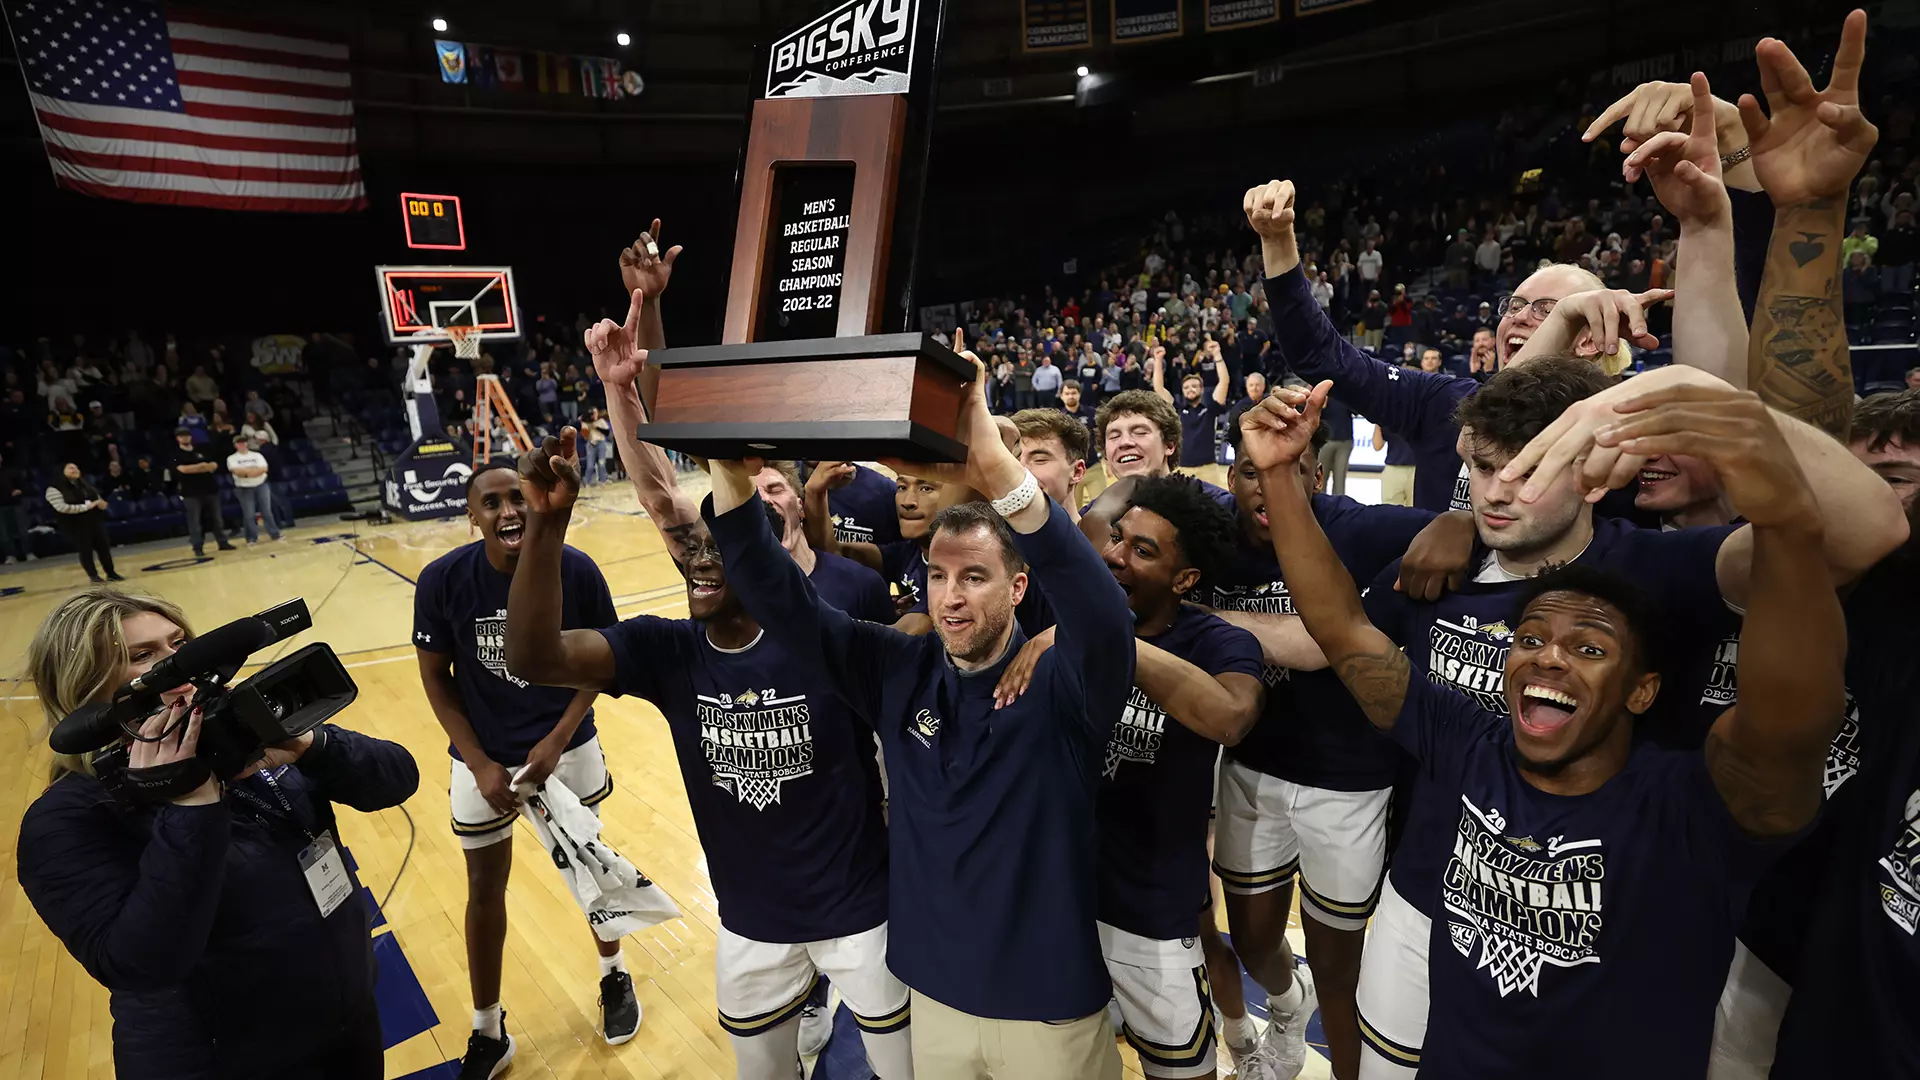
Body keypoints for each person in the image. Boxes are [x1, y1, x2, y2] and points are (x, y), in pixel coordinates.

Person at [1238, 377, 1855, 1079]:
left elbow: (1789, 722)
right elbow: (1343, 631)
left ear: (1645, 688)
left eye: (1587, 648)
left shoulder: (1690, 808)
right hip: (1426, 930)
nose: (1549, 658)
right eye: (1528, 639)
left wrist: (1784, 511)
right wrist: (1280, 476)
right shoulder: (1473, 741)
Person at [706, 353, 1134, 1078]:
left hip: (1048, 1007)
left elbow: (1100, 609)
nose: (951, 597)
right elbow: (779, 597)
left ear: (1018, 587)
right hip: (932, 996)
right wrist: (729, 470)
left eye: (974, 576)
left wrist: (998, 473)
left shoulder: (1068, 683)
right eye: (938, 576)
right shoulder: (896, 669)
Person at [502, 429, 913, 1080]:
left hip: (861, 910)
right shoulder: (667, 651)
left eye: (719, 546)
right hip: (751, 919)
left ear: (761, 561)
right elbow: (532, 658)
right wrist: (547, 525)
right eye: (693, 546)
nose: (699, 559)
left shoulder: (828, 642)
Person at [18, 588, 420, 1079]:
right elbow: (142, 963)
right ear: (85, 691)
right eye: (143, 656)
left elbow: (398, 779)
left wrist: (312, 745)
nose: (178, 665)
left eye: (179, 644)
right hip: (219, 1061)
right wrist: (190, 807)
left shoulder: (236, 737)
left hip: (344, 1022)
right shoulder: (65, 820)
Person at [996, 475, 1266, 1080]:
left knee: (1182, 1070)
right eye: (1118, 538)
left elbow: (1230, 717)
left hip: (1151, 907)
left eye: (1142, 550)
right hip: (1057, 896)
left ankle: (1248, 1035)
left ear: (1185, 579)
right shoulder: (1060, 608)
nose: (1115, 555)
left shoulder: (1217, 642)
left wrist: (1104, 636)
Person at [1202, 418, 1441, 1080]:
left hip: (1350, 779)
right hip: (1252, 767)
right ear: (1231, 478)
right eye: (1252, 471)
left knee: (1339, 967)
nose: (1268, 485)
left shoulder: (1356, 527)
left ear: (1316, 477)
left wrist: (1453, 524)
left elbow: (1481, 526)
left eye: (1291, 471)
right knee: (1253, 941)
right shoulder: (1212, 531)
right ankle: (1286, 1007)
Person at [1243, 177, 1670, 513]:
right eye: (1514, 304)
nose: (1520, 316)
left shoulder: (1621, 438)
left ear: (1591, 338)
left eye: (1548, 310)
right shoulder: (1441, 401)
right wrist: (1277, 241)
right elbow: (1320, 355)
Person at [413, 463, 637, 1076]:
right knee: (484, 889)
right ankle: (488, 1028)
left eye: (518, 498)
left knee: (592, 869)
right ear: (472, 515)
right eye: (492, 502)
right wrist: (478, 761)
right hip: (482, 758)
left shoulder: (577, 569)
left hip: (565, 745)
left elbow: (607, 661)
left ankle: (614, 974)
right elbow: (435, 678)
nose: (508, 511)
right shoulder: (442, 579)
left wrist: (558, 739)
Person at [1092, 389, 1232, 506]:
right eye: (1114, 436)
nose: (1125, 442)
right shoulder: (1090, 517)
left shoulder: (1218, 505)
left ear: (1169, 445)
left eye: (1140, 432)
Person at [46, 462, 121, 582]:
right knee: (86, 550)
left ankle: (111, 573)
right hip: (74, 524)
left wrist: (102, 504)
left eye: (76, 467)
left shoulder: (85, 484)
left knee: (104, 547)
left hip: (94, 521)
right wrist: (87, 507)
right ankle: (94, 576)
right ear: (61, 472)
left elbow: (97, 498)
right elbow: (62, 508)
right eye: (70, 468)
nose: (75, 470)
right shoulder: (53, 489)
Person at [1010, 408, 1091, 518]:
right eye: (1014, 460)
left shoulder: (1103, 527)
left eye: (1039, 460)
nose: (1021, 471)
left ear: (1077, 472)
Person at [166, 427, 233, 556]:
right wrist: (202, 466)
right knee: (195, 521)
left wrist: (196, 468)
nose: (185, 438)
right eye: (181, 436)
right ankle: (197, 547)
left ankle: (222, 542)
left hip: (210, 489)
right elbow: (182, 470)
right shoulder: (175, 453)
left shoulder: (203, 449)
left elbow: (214, 465)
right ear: (177, 438)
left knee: (217, 519)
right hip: (190, 492)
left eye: (187, 435)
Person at [225, 434, 282, 544]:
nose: (242, 444)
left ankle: (275, 534)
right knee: (249, 514)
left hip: (261, 484)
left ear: (247, 443)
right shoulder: (232, 458)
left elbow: (264, 468)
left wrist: (248, 473)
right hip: (244, 487)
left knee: (267, 511)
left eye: (243, 442)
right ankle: (251, 537)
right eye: (239, 443)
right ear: (235, 445)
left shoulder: (257, 455)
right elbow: (237, 472)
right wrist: (252, 471)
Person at [0, 449, 32, 563]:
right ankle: (11, 555)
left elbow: (24, 485)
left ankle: (28, 553)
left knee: (22, 530)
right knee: (4, 534)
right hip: (1, 507)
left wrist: (19, 490)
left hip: (16, 504)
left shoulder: (11, 471)